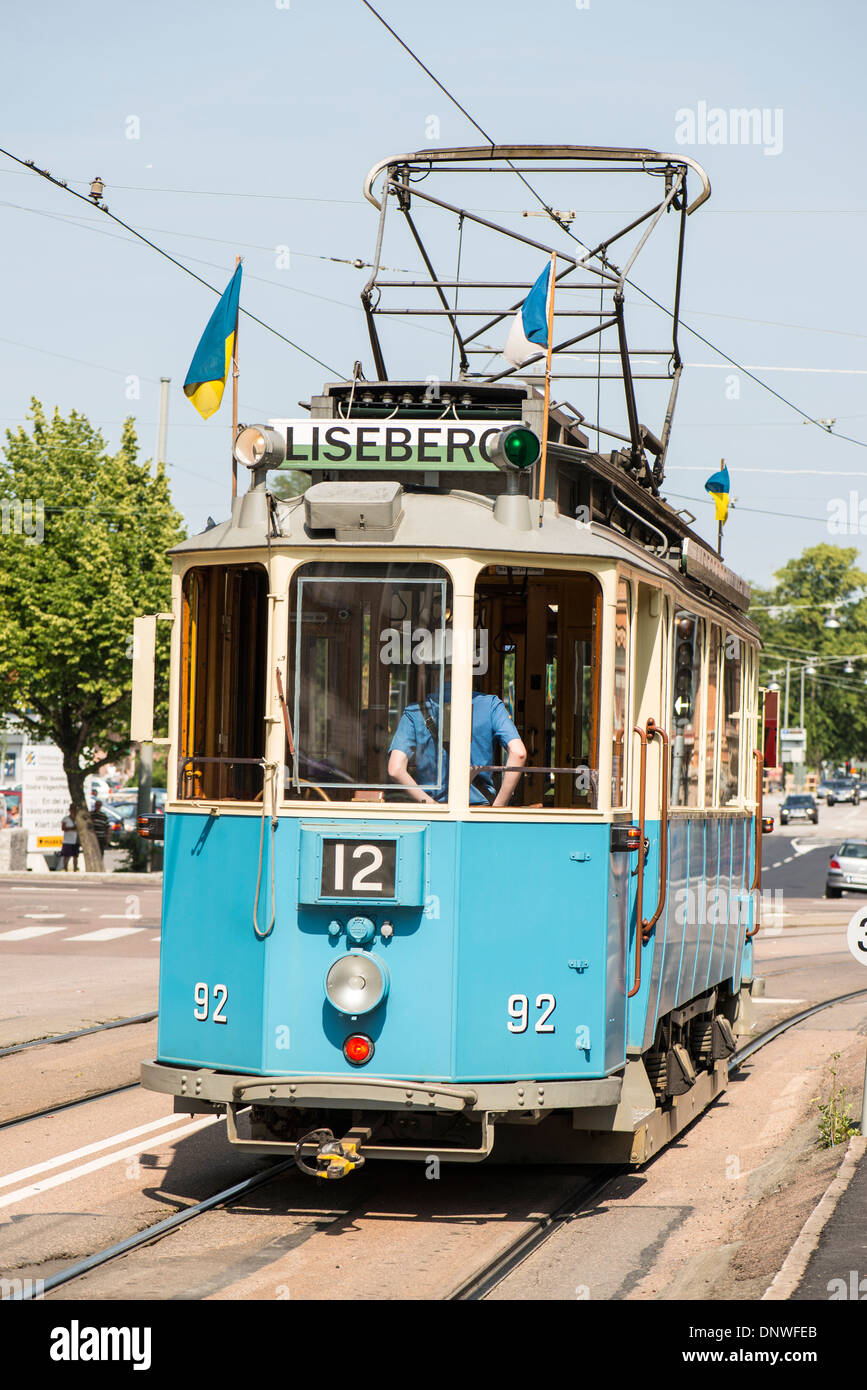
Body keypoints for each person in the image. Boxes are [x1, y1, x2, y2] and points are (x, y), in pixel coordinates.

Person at [388, 688, 527, 806]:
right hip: (479, 810)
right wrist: (498, 808)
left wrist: (431, 805)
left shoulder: (415, 711)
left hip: (431, 812)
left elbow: (395, 769)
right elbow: (518, 753)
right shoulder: (490, 705)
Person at [60, 804, 80, 872]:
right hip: (67, 840)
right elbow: (63, 828)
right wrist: (72, 828)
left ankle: (75, 869)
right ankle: (65, 869)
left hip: (75, 840)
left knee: (75, 856)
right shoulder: (66, 819)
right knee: (66, 856)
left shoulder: (78, 819)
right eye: (71, 809)